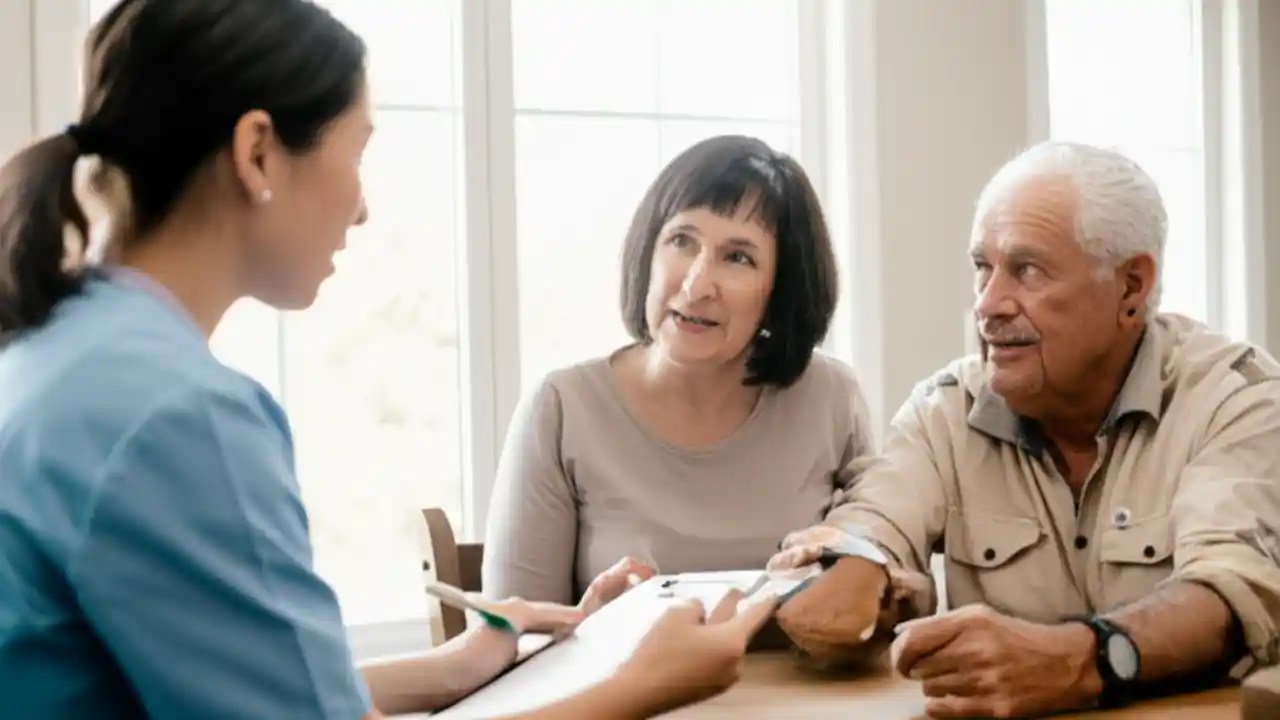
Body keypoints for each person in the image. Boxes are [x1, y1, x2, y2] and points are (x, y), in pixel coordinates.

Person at [0, 2, 776, 718]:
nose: (363, 205)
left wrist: (458, 665)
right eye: (358, 151)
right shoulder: (178, 417)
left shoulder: (61, 354)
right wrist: (640, 685)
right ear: (258, 153)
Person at [770, 141, 1280, 718]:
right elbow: (876, 520)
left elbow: (1231, 591)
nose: (988, 306)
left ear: (1132, 286)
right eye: (981, 269)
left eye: (1027, 270)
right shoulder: (946, 409)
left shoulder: (1236, 399)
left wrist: (1081, 659)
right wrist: (853, 567)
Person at [482, 135, 877, 609]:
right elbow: (510, 641)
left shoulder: (831, 398)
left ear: (782, 290)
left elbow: (879, 586)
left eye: (738, 257)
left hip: (798, 685)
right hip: (623, 685)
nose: (696, 284)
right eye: (682, 241)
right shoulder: (563, 407)